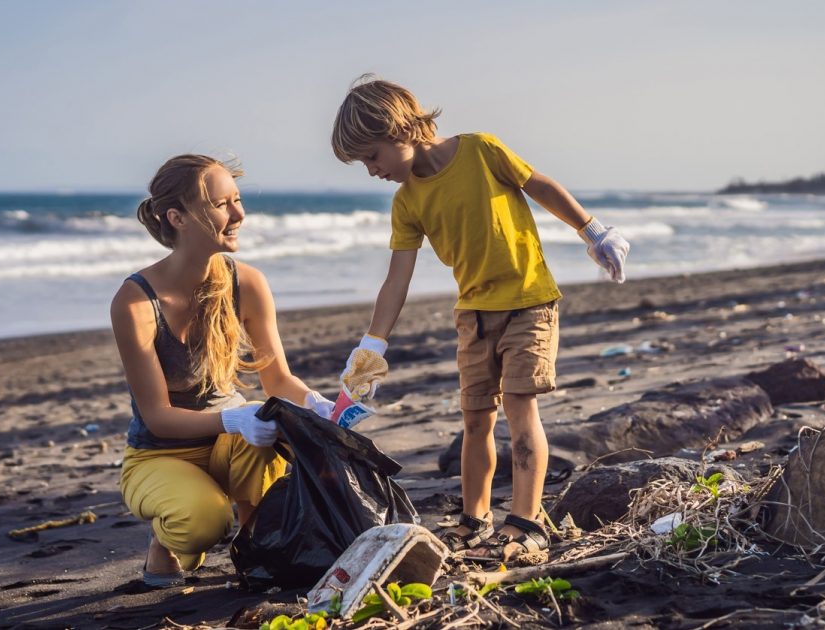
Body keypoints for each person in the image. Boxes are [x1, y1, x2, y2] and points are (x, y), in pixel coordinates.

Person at [331, 76, 630, 565]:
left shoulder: (481, 151)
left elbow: (541, 186)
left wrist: (593, 231)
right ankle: (475, 519)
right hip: (473, 316)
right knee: (474, 419)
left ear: (399, 129)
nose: (371, 171)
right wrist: (373, 345)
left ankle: (527, 522)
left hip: (529, 304)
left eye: (371, 156)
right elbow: (397, 278)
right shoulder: (407, 201)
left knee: (519, 409)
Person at [111, 154, 334, 587]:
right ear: (177, 217)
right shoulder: (135, 302)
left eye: (237, 199)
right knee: (203, 522)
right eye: (221, 204)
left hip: (231, 444)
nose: (239, 214)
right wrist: (234, 418)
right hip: (160, 454)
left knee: (268, 420)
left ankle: (255, 549)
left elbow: (279, 379)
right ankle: (164, 543)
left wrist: (319, 405)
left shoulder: (247, 282)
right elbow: (157, 416)